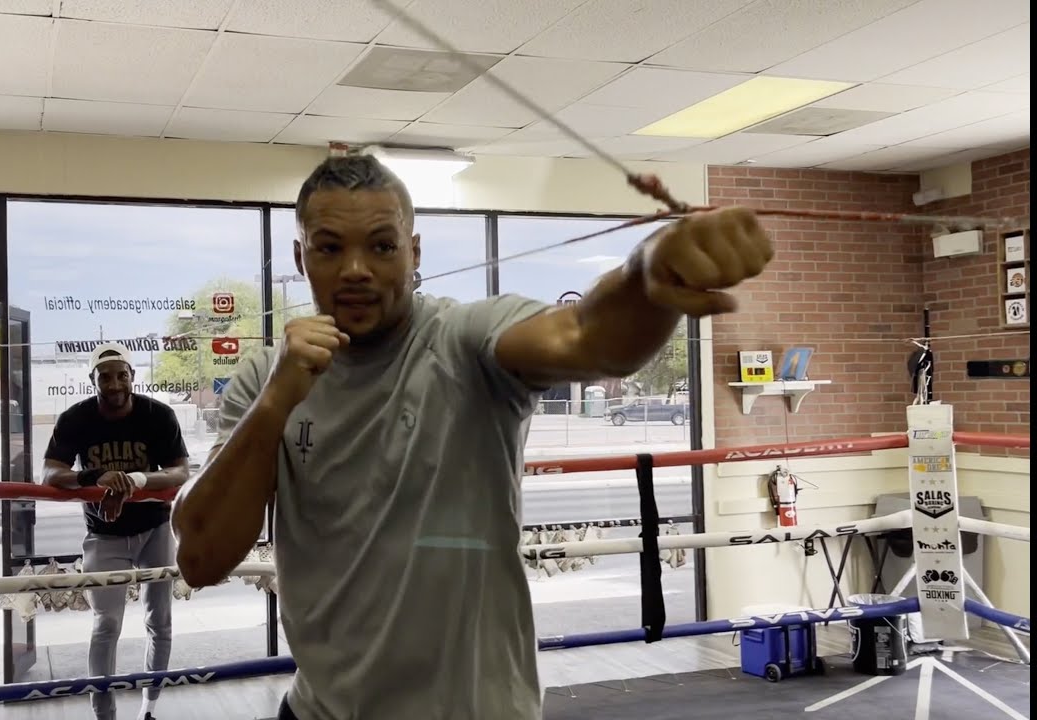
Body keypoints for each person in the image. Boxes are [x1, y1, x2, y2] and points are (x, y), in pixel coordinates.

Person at [170, 155, 773, 720]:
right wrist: (277, 400)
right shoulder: (266, 378)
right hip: (320, 710)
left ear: (413, 252)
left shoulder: (464, 340)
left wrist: (649, 272)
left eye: (381, 246)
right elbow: (201, 558)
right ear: (301, 259)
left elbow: (587, 336)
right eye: (330, 248)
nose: (355, 269)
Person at [43, 341, 190, 720]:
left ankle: (149, 708)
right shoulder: (76, 418)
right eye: (105, 377)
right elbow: (50, 474)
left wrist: (134, 480)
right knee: (106, 624)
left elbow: (179, 472)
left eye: (121, 375)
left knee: (160, 621)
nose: (114, 384)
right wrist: (96, 476)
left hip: (155, 527)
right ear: (93, 380)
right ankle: (103, 714)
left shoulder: (158, 414)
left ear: (132, 377)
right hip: (104, 533)